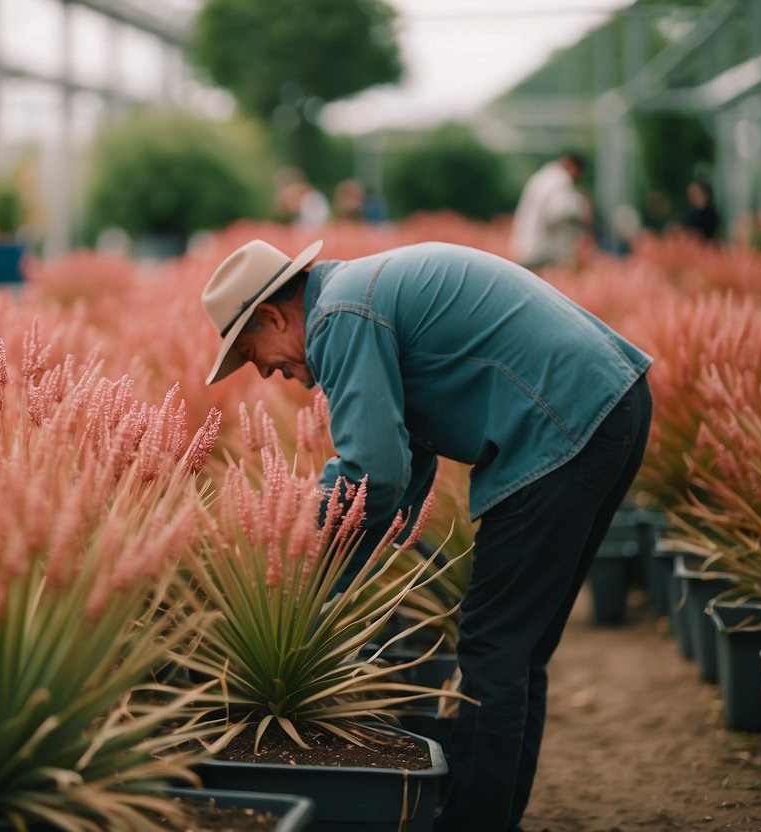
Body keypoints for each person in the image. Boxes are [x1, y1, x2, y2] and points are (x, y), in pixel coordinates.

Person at [201, 238, 652, 832]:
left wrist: (293, 553)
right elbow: (405, 467)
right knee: (518, 649)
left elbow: (374, 476)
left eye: (253, 352)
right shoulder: (357, 297)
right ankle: (494, 815)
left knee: (494, 648)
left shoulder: (339, 317)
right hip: (609, 404)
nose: (264, 371)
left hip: (560, 423)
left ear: (272, 316)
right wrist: (331, 578)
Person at [512, 151, 589, 269]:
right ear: (574, 167)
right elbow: (556, 213)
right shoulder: (560, 181)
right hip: (542, 250)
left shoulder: (542, 176)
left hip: (526, 245)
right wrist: (578, 208)